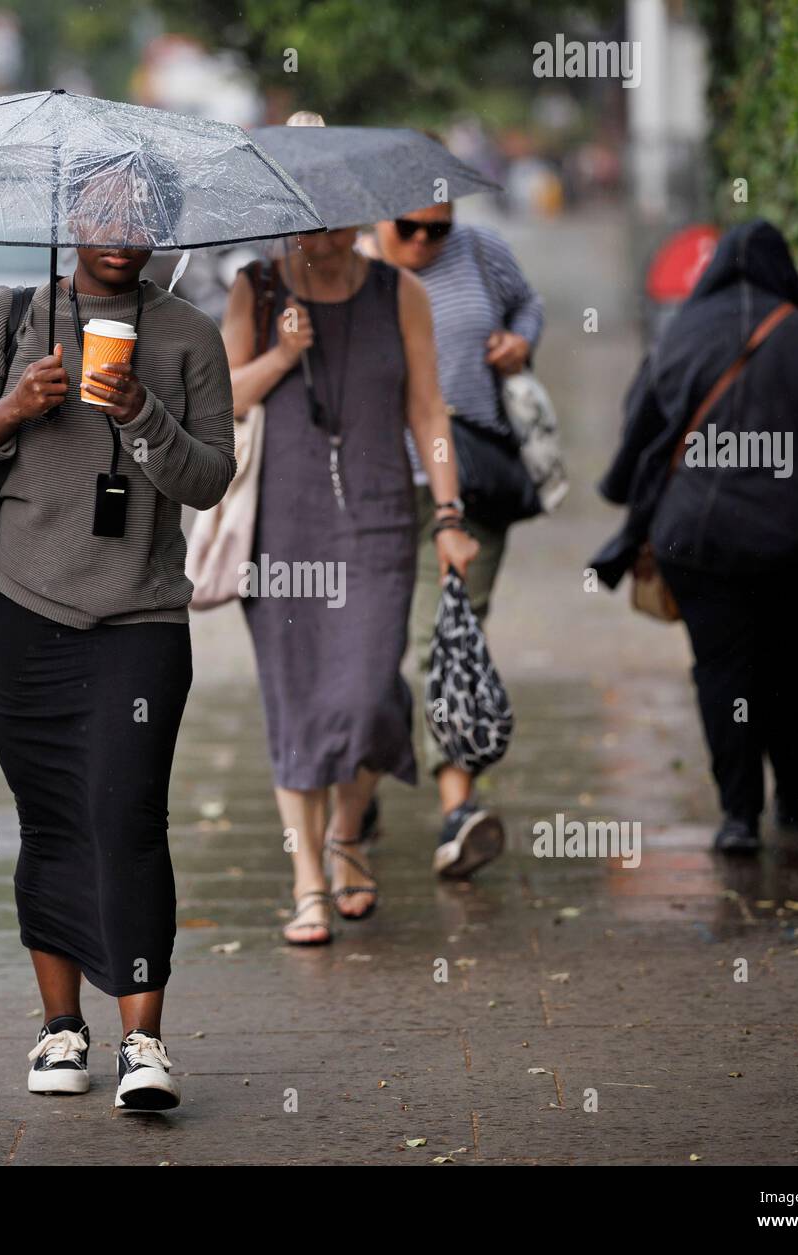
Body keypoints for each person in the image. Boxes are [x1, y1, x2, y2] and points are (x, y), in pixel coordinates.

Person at [0, 161, 236, 1108]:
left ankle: (144, 1044)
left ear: (165, 231)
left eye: (143, 215)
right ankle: (61, 1032)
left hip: (140, 619)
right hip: (22, 613)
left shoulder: (188, 335)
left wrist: (141, 413)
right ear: (70, 216)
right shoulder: (5, 318)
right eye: (103, 210)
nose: (120, 229)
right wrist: (11, 409)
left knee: (129, 817)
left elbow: (212, 478)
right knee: (51, 818)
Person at [591, 219, 798, 854]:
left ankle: (737, 816)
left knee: (720, 672)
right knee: (789, 664)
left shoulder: (678, 334)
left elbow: (638, 440)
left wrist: (636, 515)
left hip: (697, 540)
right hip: (794, 542)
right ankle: (795, 793)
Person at [222, 223, 477, 945]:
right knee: (297, 695)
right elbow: (221, 396)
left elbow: (428, 410)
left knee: (366, 691)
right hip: (281, 528)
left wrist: (450, 511)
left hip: (377, 519)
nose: (322, 239)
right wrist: (282, 354)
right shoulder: (257, 287)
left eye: (334, 223)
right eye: (305, 227)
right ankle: (309, 877)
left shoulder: (401, 292)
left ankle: (346, 831)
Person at [360, 198, 544, 876]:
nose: (422, 241)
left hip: (468, 480)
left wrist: (521, 340)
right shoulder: (351, 269)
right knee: (374, 642)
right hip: (374, 483)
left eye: (437, 228)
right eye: (405, 226)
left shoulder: (482, 250)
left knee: (451, 632)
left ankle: (458, 809)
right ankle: (363, 784)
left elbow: (529, 304)